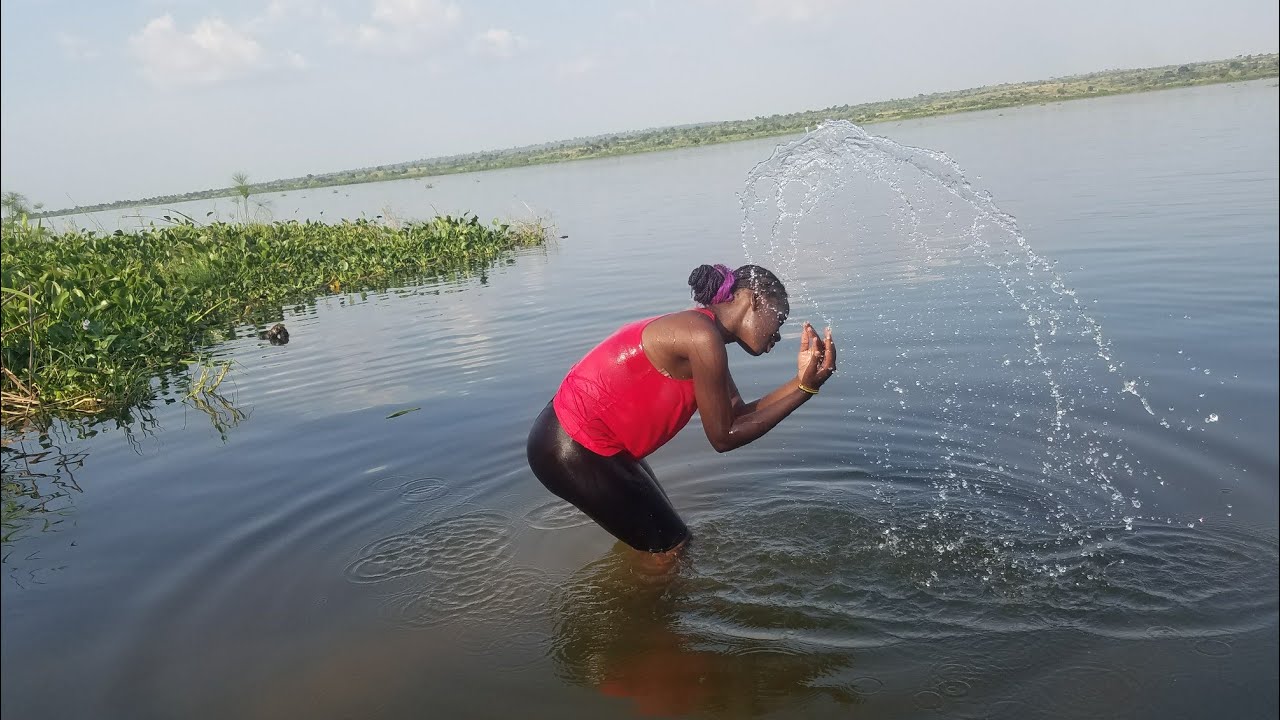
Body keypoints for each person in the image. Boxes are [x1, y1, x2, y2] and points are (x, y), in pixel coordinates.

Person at [526, 263, 837, 561]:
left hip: (587, 442)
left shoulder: (704, 333)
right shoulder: (701, 337)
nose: (778, 335)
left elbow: (735, 414)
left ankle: (641, 603)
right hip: (572, 444)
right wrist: (803, 392)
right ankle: (647, 616)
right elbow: (723, 437)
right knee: (671, 548)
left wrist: (803, 383)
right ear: (753, 299)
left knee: (666, 540)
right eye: (778, 319)